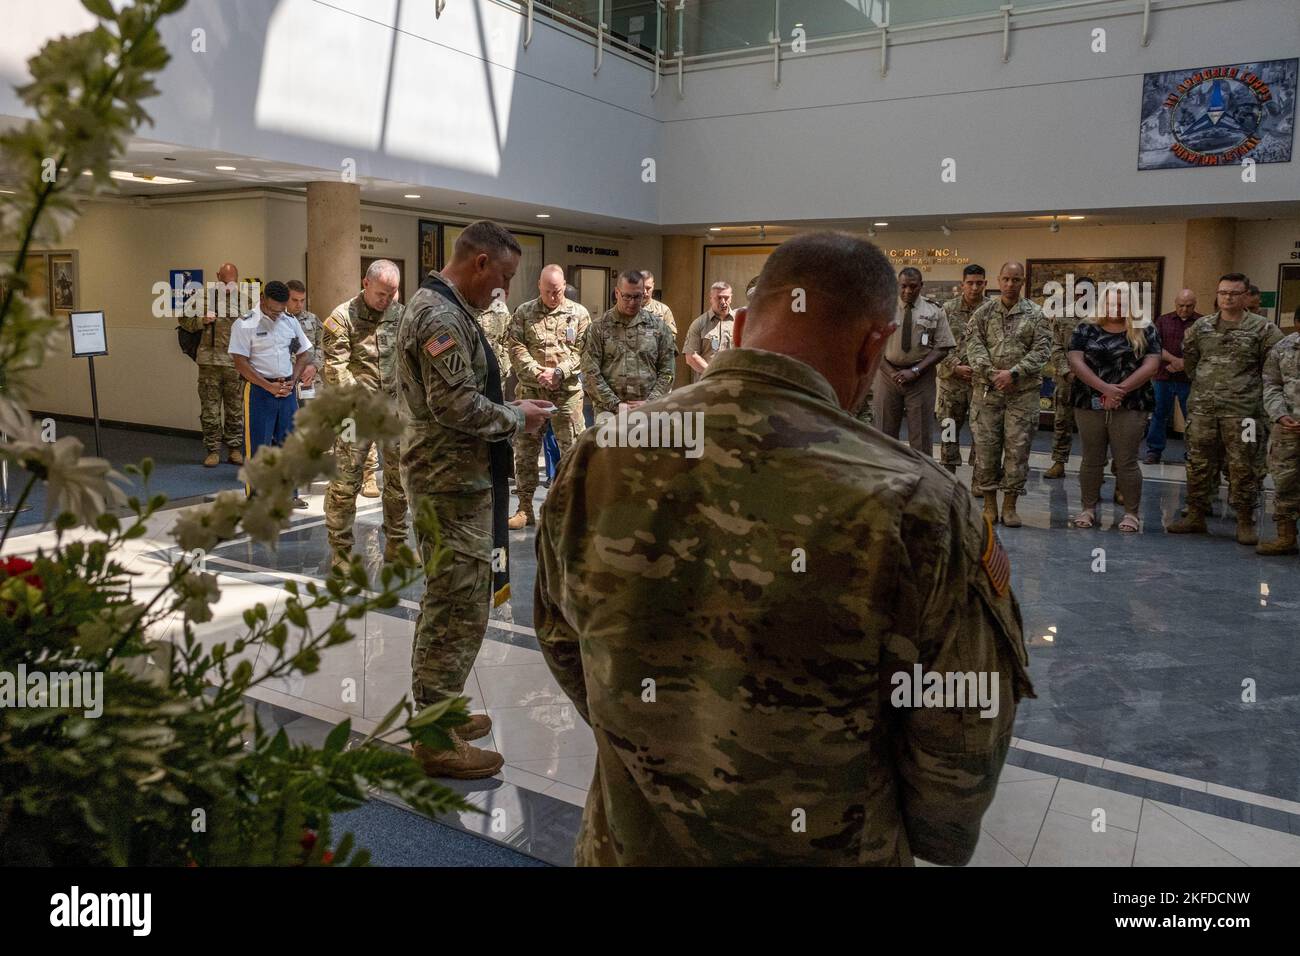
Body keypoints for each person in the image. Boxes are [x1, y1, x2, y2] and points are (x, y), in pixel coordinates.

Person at [534, 231, 1033, 866]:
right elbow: (961, 723)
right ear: (875, 343)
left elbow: (559, 633)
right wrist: (934, 838)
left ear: (740, 325)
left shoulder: (600, 455)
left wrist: (651, 750)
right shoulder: (917, 503)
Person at [396, 221, 553, 779]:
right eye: (503, 278)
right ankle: (434, 739)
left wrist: (513, 404)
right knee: (455, 605)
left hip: (459, 479)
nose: (503, 291)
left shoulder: (447, 306)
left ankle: (439, 712)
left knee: (457, 599)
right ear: (480, 262)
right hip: (448, 483)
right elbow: (456, 407)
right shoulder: (439, 315)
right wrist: (519, 416)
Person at [1168, 273, 1283, 543]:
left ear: (1245, 296)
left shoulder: (1263, 330)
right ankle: (1195, 515)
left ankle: (1244, 521)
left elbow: (1272, 369)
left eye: (1233, 293)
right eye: (1223, 293)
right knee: (1198, 463)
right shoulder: (1202, 327)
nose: (1227, 297)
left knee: (1244, 466)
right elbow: (1192, 362)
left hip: (1245, 413)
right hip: (1203, 410)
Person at [321, 260, 410, 568]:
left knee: (399, 481)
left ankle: (397, 544)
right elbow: (335, 368)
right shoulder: (341, 318)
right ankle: (341, 551)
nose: (386, 300)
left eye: (392, 293)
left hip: (394, 412)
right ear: (365, 283)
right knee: (346, 483)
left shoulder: (401, 316)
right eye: (380, 294)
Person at [965, 261, 1053, 528]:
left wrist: (1013, 373)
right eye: (1005, 279)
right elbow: (974, 345)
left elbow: (1042, 350)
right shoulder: (983, 312)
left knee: (1017, 450)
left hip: (1022, 394)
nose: (1010, 284)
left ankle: (1010, 506)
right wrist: (993, 374)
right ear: (998, 280)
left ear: (1022, 282)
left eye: (1016, 280)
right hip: (988, 392)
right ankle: (990, 504)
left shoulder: (1036, 314)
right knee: (987, 449)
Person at [1066, 287, 1161, 531]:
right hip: (1089, 400)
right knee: (1091, 458)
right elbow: (1075, 361)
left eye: (1121, 304)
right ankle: (1088, 508)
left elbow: (1152, 364)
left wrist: (1120, 390)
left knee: (1126, 460)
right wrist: (1104, 389)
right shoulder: (1085, 327)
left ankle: (1131, 513)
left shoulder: (1145, 327)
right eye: (1111, 303)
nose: (1116, 308)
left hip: (1131, 402)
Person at [505, 264, 590, 529]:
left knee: (572, 452)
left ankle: (569, 508)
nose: (553, 296)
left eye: (557, 291)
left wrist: (559, 373)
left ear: (564, 286)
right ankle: (524, 508)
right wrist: (536, 372)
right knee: (526, 453)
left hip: (567, 396)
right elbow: (515, 346)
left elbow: (583, 351)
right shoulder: (524, 312)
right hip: (531, 392)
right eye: (548, 291)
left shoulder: (579, 314)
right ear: (539, 287)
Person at [228, 281, 315, 507]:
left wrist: (293, 380)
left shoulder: (289, 321)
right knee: (259, 446)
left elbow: (305, 353)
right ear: (263, 299)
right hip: (259, 391)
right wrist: (268, 386)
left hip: (286, 391)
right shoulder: (245, 324)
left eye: (281, 310)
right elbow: (240, 362)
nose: (278, 315)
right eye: (273, 310)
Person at [872, 267, 954, 456]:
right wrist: (891, 372)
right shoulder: (883, 309)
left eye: (913, 286)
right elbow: (873, 346)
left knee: (922, 437)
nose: (908, 291)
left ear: (921, 286)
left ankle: (921, 481)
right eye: (904, 286)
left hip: (921, 379)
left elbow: (942, 347)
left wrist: (916, 370)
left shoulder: (934, 310)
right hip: (887, 376)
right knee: (884, 434)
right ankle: (888, 479)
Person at [582, 271, 675, 416]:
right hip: (609, 412)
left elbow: (667, 371)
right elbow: (589, 373)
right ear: (617, 293)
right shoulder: (598, 328)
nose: (632, 302)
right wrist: (616, 405)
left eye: (637, 296)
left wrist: (651, 402)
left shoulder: (658, 327)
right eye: (627, 296)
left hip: (648, 412)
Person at [180, 261, 244, 467]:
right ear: (218, 277)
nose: (227, 285)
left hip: (236, 363)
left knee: (235, 409)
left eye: (231, 281)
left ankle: (234, 448)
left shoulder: (246, 300)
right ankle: (213, 450)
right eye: (224, 280)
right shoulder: (202, 298)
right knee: (210, 409)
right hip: (209, 362)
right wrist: (202, 321)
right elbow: (183, 320)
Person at [1257, 309, 1300, 555]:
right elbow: (1271, 384)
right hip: (1287, 427)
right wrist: (1280, 414)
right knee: (1285, 481)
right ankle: (1286, 536)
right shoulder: (1283, 348)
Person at [936, 264, 985, 481]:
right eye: (970, 283)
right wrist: (955, 365)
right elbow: (938, 345)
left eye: (979, 283)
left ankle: (979, 479)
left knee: (982, 433)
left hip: (980, 383)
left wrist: (981, 368)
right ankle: (949, 477)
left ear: (986, 284)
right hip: (952, 383)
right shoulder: (947, 309)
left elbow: (997, 345)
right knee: (949, 430)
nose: (974, 288)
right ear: (962, 284)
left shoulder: (991, 310)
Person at [1044, 277, 1096, 479]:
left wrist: (1091, 376)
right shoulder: (1063, 316)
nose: (1082, 296)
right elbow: (1055, 347)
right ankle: (1059, 462)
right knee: (1062, 422)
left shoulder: (1101, 317)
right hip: (1067, 380)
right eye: (1079, 292)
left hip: (1095, 383)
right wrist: (1067, 372)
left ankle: (1093, 468)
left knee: (1095, 428)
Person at [1143, 289, 1200, 464]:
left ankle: (1193, 452)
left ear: (1194, 305)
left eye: (1188, 306)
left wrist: (1184, 363)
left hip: (1188, 378)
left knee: (1192, 416)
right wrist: (1174, 360)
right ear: (1175, 304)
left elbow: (1204, 349)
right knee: (1159, 414)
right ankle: (1154, 451)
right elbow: (1154, 344)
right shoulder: (1163, 320)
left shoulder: (1201, 322)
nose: (1184, 309)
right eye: (1181, 305)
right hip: (1163, 376)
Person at [684, 282, 738, 383]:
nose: (723, 302)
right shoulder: (699, 324)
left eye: (726, 298)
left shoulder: (740, 322)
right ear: (711, 298)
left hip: (733, 384)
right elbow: (691, 357)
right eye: (718, 298)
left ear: (731, 298)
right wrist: (714, 374)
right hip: (706, 384)